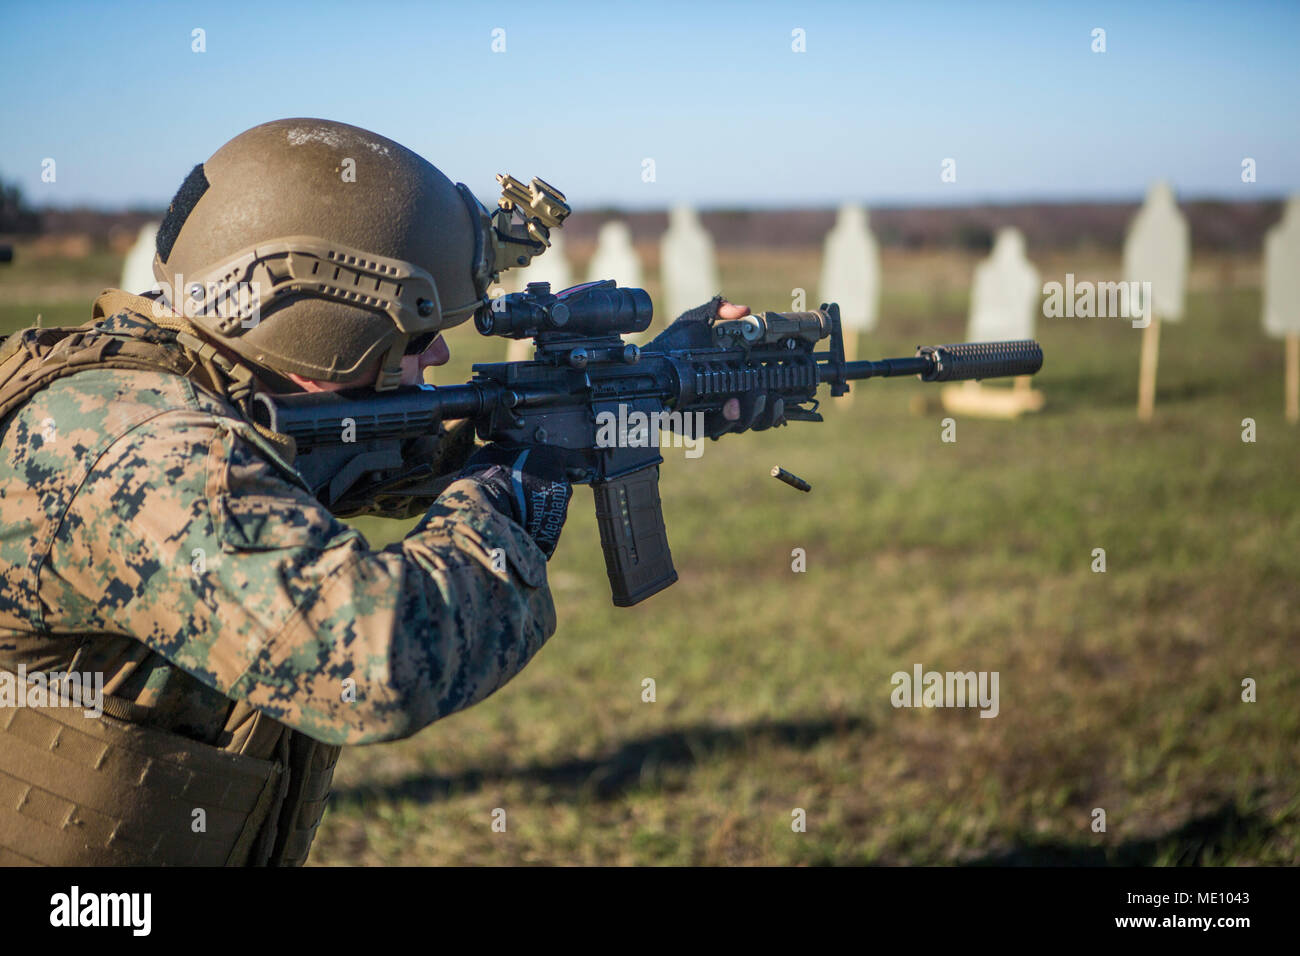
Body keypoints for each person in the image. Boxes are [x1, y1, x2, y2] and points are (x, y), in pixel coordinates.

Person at [0, 118, 748, 866]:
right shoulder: (140, 447)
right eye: (419, 334)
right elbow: (370, 662)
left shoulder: (205, 383)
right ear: (326, 324)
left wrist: (645, 393)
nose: (443, 352)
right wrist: (507, 495)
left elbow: (369, 458)